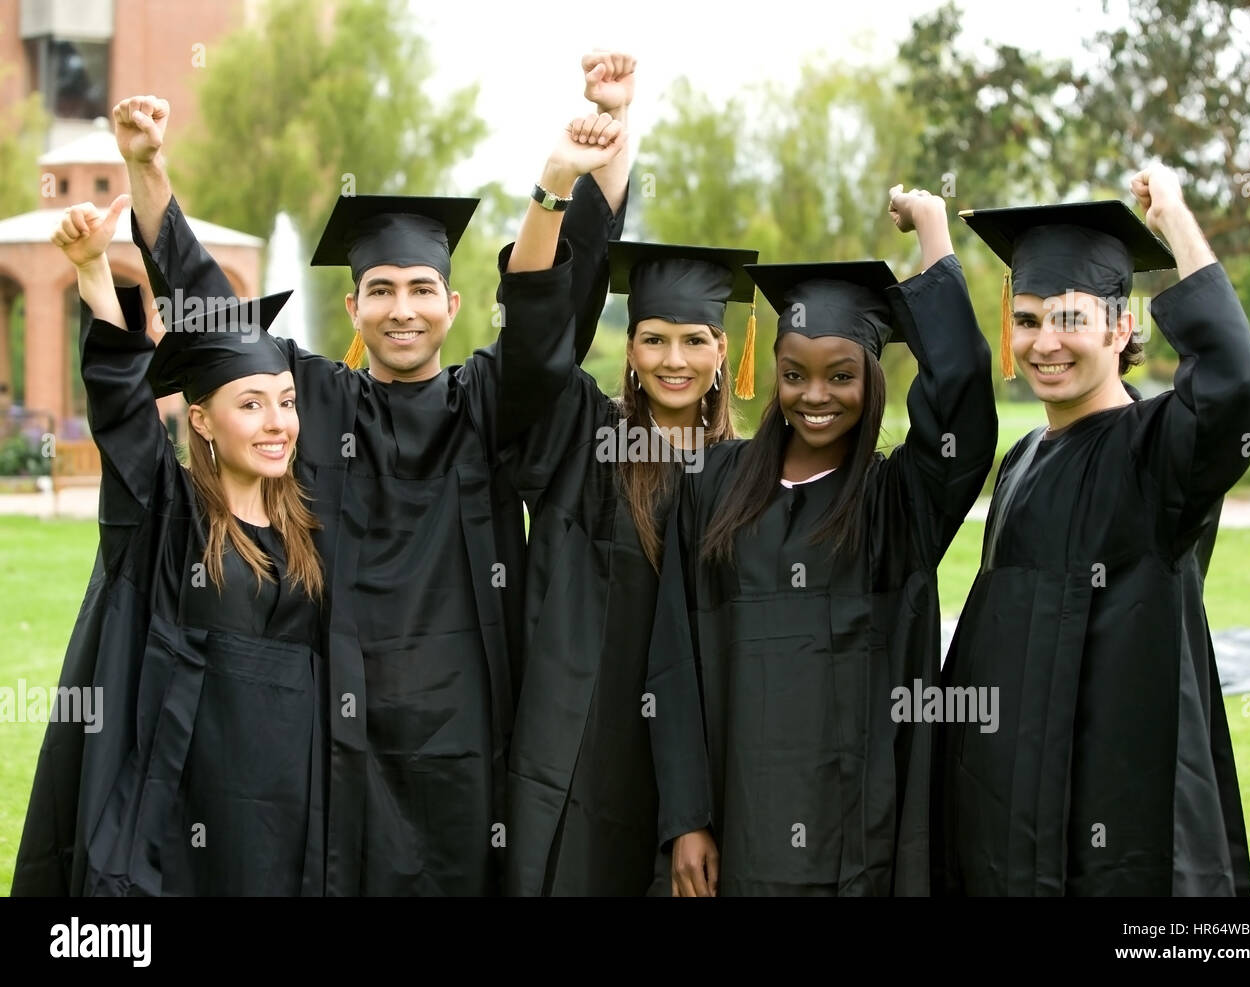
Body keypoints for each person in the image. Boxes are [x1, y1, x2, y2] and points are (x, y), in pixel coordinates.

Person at [111, 65, 631, 894]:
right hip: (337, 723)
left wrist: (561, 178)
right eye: (380, 290)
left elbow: (543, 318)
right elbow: (212, 312)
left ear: (454, 306)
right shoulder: (315, 397)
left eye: (422, 289)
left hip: (468, 728)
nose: (402, 308)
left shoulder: (487, 403)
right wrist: (148, 169)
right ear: (351, 310)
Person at [647, 186, 997, 896]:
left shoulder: (899, 500)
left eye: (842, 375)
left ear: (871, 378)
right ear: (772, 371)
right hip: (731, 818)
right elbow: (672, 656)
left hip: (857, 829)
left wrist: (933, 232)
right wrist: (685, 818)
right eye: (795, 373)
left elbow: (959, 388)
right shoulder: (712, 484)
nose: (816, 394)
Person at [939, 164, 1250, 896]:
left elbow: (1236, 384)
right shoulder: (1023, 458)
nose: (1043, 342)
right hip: (1007, 810)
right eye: (1026, 319)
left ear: (1122, 327)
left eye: (1069, 318)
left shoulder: (1156, 449)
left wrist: (1177, 219)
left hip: (1113, 810)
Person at [13, 196, 327, 895]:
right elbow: (123, 405)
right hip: (180, 819)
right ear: (203, 421)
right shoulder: (166, 512)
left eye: (286, 399)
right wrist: (95, 270)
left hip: (287, 821)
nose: (278, 421)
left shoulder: (312, 522)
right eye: (251, 404)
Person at [500, 171, 759, 893]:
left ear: (722, 351)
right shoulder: (586, 436)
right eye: (653, 338)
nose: (673, 360)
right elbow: (536, 345)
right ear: (631, 347)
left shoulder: (748, 476)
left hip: (701, 775)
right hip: (584, 759)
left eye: (693, 339)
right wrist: (586, 185)